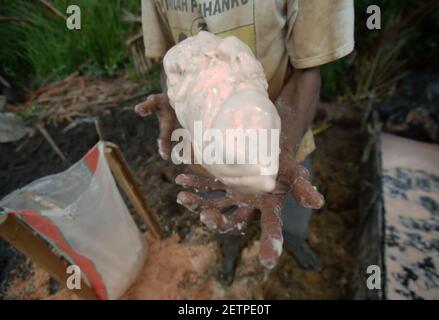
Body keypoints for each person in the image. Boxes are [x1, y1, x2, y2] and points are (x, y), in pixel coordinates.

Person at [135, 0, 354, 284]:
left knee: (292, 214)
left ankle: (295, 242)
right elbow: (171, 61)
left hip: (285, 145)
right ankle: (230, 253)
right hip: (206, 151)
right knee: (223, 219)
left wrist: (282, 148)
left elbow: (307, 67)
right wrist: (178, 99)